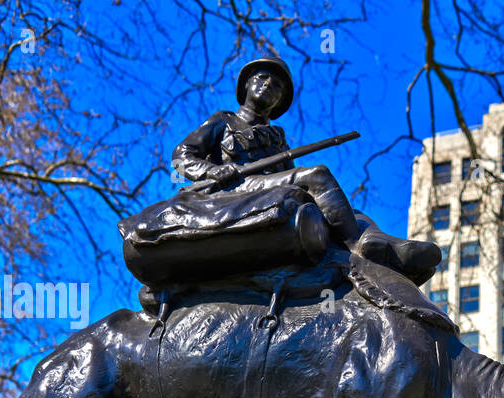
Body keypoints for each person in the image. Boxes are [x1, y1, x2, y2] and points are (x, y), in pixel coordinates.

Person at [168, 56, 439, 284]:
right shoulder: (223, 121)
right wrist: (211, 171)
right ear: (247, 84)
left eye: (276, 86)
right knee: (317, 175)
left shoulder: (277, 138)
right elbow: (181, 157)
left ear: (278, 103)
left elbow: (292, 184)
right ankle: (358, 248)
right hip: (235, 191)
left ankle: (384, 245)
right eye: (262, 78)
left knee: (349, 211)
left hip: (267, 192)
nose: (268, 85)